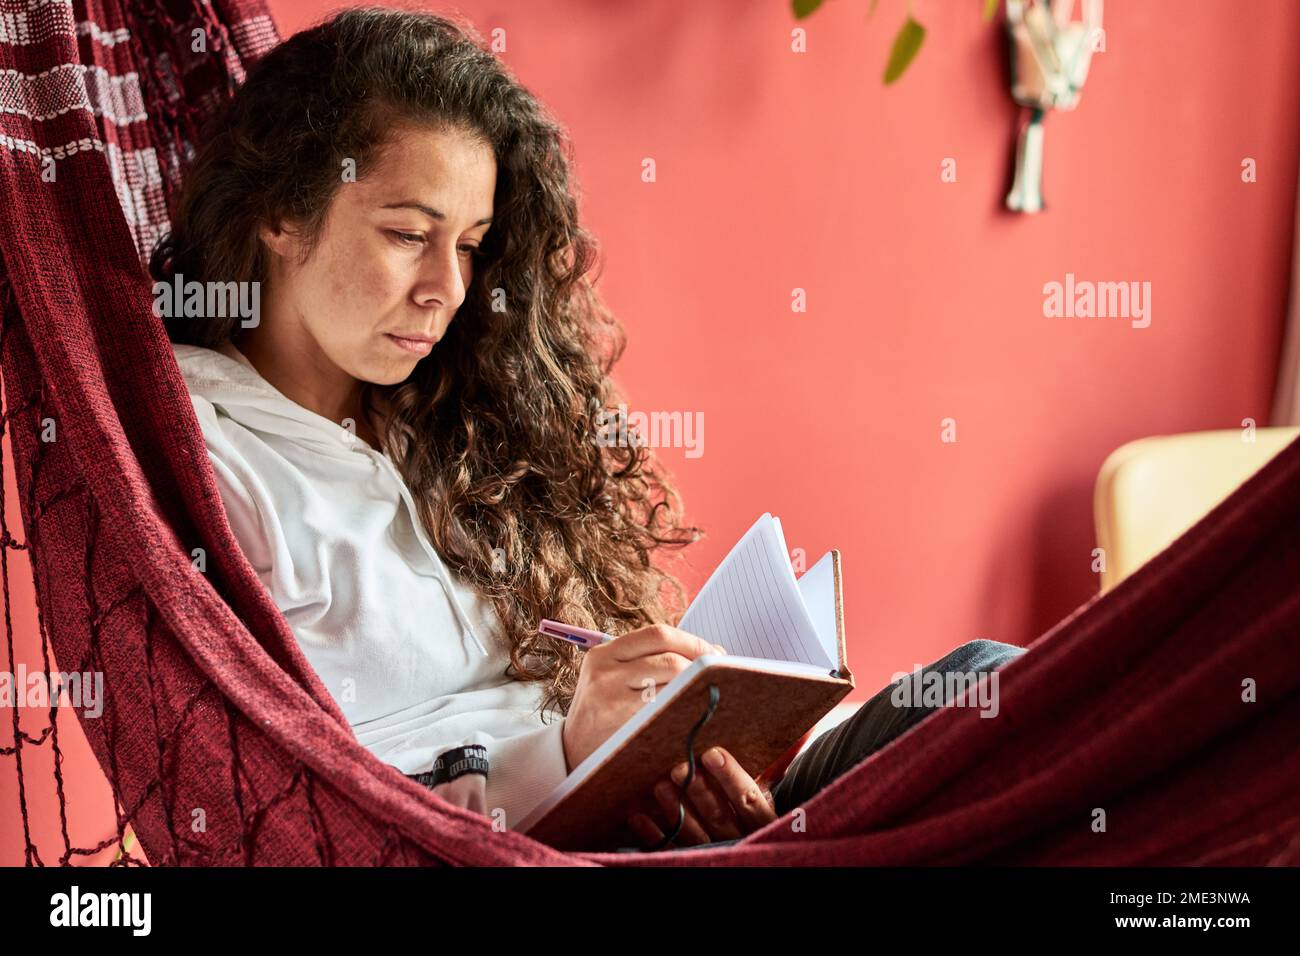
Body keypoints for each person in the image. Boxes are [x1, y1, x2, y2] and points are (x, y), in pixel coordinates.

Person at [155, 6, 1025, 851]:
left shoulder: (438, 415)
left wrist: (689, 734)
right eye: (408, 234)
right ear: (281, 214)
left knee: (985, 682)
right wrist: (570, 755)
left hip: (639, 810)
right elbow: (291, 812)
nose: (447, 291)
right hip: (523, 844)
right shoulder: (206, 462)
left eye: (468, 245)